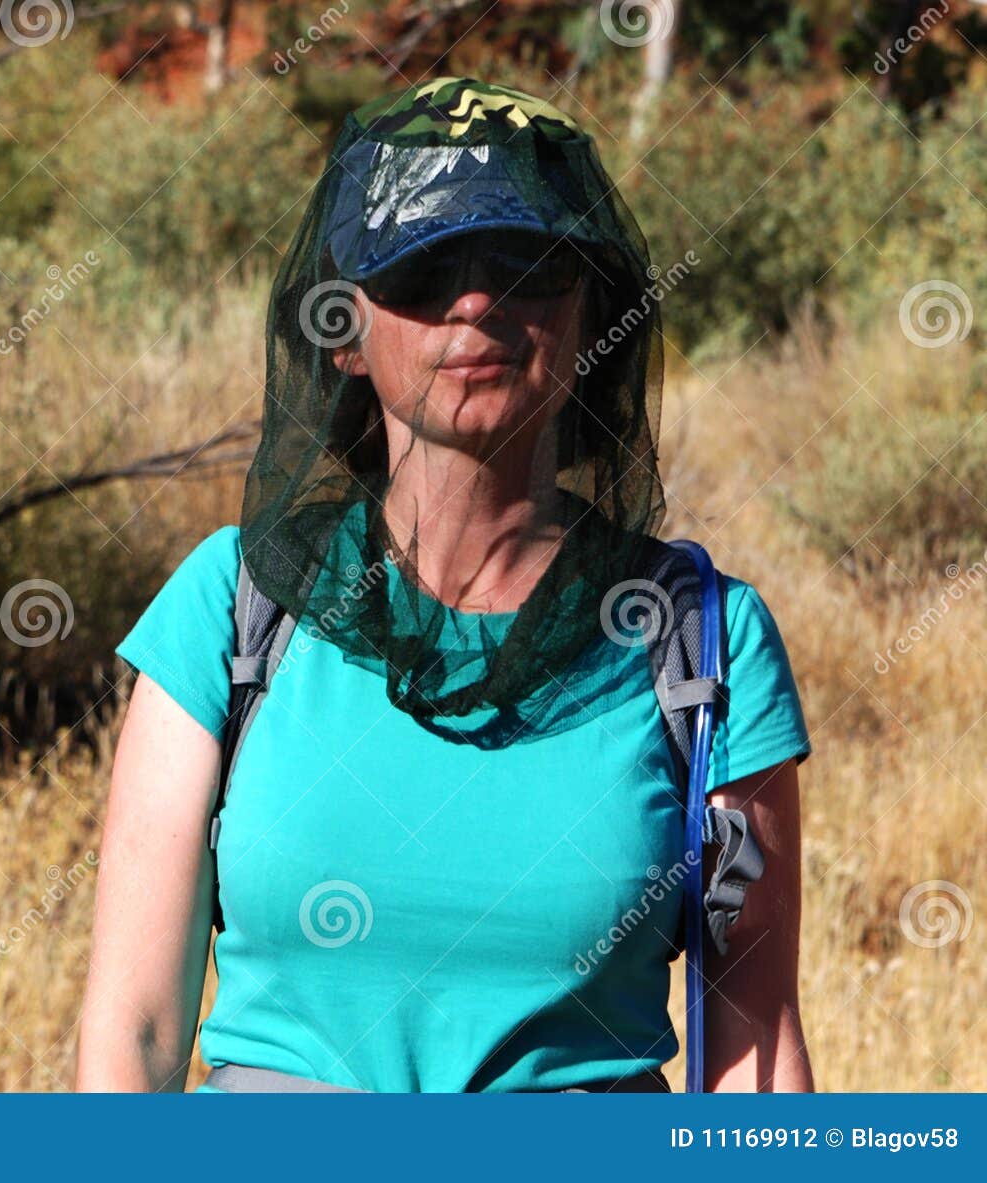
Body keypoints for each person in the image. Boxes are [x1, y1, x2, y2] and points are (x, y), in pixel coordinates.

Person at [76, 77, 813, 1093]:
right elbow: (135, 1032)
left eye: (526, 265)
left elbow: (756, 1054)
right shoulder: (235, 607)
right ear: (343, 326)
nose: (477, 303)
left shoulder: (700, 639)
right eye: (421, 270)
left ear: (590, 317)